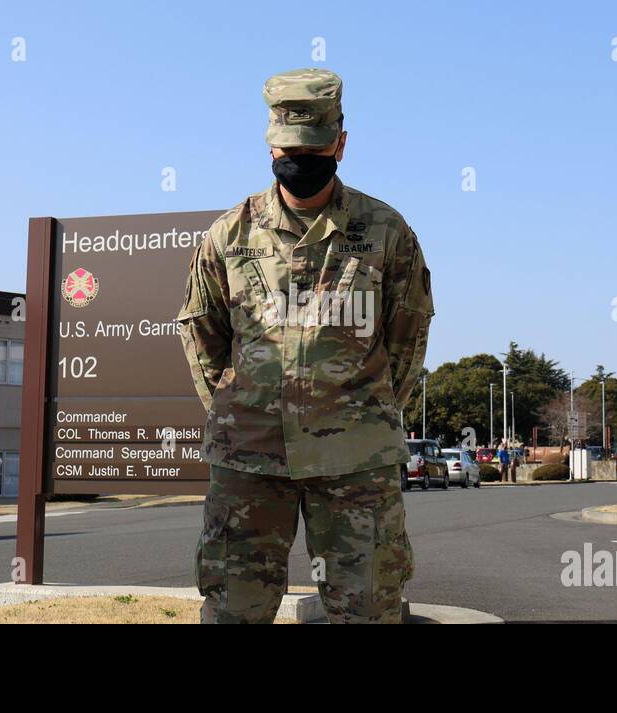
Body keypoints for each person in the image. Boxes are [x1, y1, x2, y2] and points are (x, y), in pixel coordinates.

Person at [177, 68, 433, 623]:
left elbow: (407, 338)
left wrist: (365, 413)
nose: (301, 157)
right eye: (291, 147)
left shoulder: (386, 232)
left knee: (368, 607)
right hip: (249, 461)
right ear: (270, 144)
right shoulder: (229, 234)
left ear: (341, 143)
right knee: (233, 611)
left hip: (355, 461)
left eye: (314, 146)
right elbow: (204, 338)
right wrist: (245, 411)